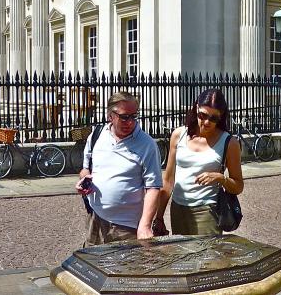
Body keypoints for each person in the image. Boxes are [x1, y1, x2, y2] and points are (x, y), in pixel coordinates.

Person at [77, 91, 163, 245]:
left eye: (133, 116)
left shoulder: (147, 144)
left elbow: (153, 188)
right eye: (124, 117)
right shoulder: (96, 135)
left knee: (125, 268)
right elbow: (85, 169)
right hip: (96, 218)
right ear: (110, 115)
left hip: (126, 226)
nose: (130, 122)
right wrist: (84, 179)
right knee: (92, 265)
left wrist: (145, 225)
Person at [157, 89, 244, 235]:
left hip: (207, 210)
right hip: (178, 208)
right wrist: (158, 217)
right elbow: (168, 180)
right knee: (181, 256)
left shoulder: (229, 143)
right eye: (202, 115)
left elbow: (238, 186)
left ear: (221, 116)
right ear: (196, 108)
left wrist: (221, 178)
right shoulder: (179, 135)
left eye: (213, 118)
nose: (207, 122)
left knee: (206, 257)